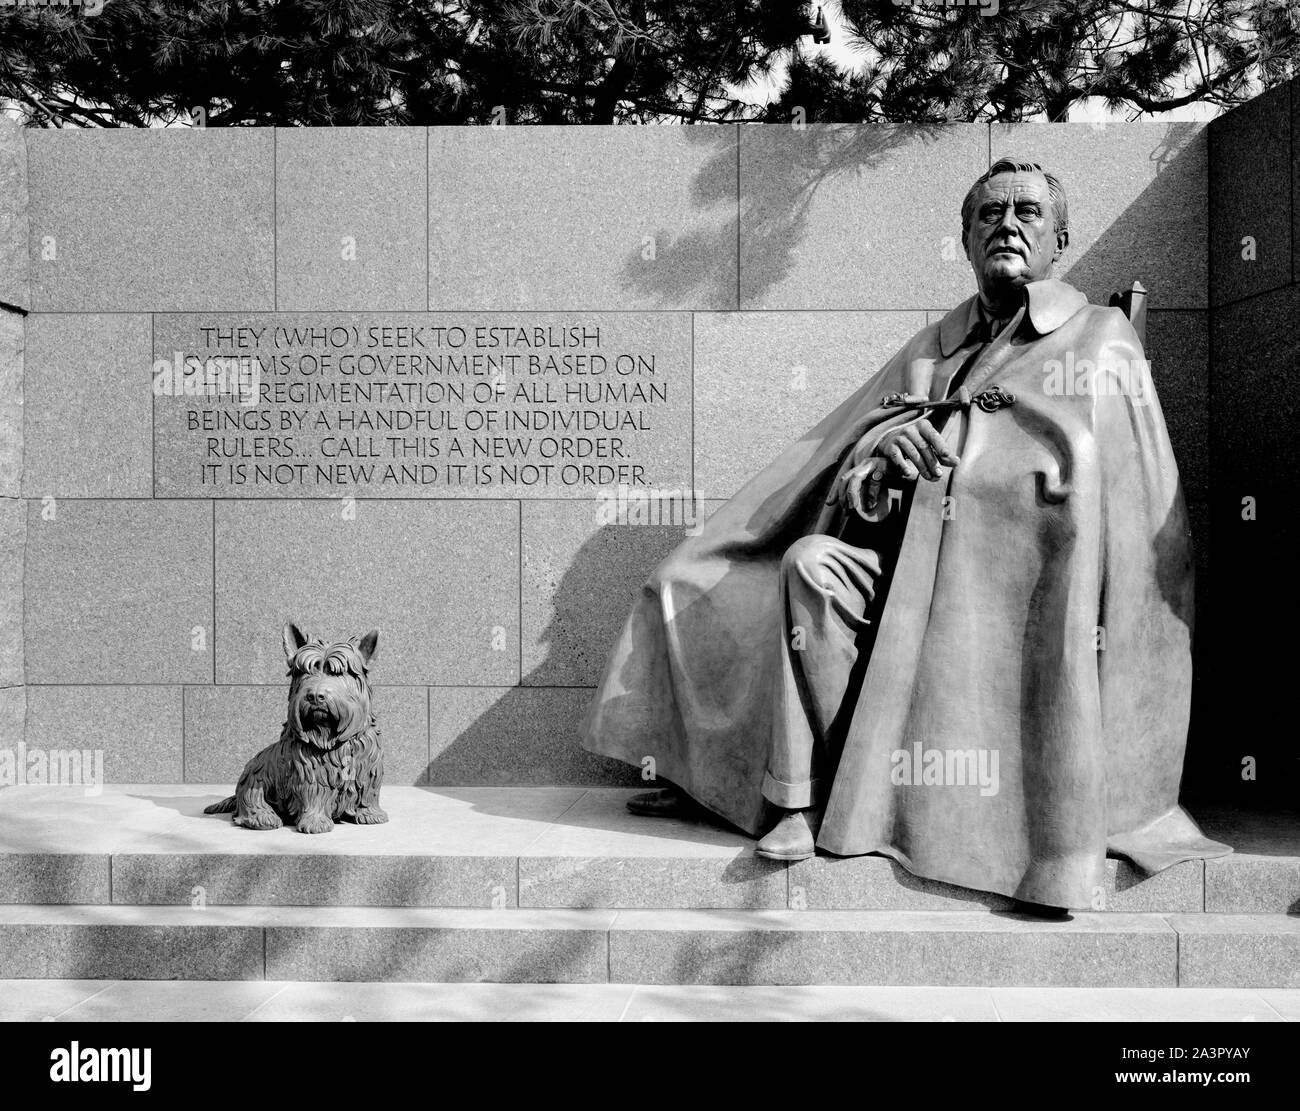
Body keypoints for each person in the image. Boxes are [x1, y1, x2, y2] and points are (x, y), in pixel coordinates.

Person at [580, 158, 1229, 910]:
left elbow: (1133, 502)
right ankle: (785, 795)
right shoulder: (934, 346)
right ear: (964, 238)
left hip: (1017, 599)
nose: (1007, 225)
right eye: (988, 215)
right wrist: (884, 461)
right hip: (902, 581)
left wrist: (974, 474)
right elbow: (853, 467)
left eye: (1026, 212)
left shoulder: (1098, 337)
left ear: (1060, 239)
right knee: (804, 564)